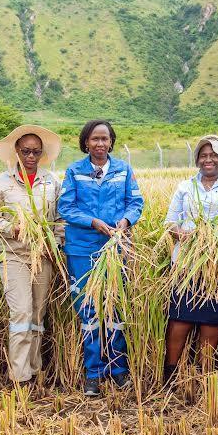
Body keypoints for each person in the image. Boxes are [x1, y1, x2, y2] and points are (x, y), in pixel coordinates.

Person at [57, 120, 145, 396]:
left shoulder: (123, 169)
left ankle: (118, 369)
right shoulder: (75, 171)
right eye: (94, 139)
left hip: (115, 249)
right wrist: (93, 221)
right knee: (88, 310)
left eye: (104, 139)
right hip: (82, 249)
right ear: (86, 143)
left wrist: (125, 221)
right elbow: (66, 207)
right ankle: (92, 373)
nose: (99, 144)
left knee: (114, 307)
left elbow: (136, 202)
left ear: (111, 142)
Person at [162, 135, 218, 383]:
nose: (208, 159)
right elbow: (170, 222)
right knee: (180, 317)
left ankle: (206, 375)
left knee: (211, 320)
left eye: (213, 156)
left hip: (217, 265)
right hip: (185, 262)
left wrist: (211, 237)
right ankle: (171, 373)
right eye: (203, 155)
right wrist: (182, 233)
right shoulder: (185, 187)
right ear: (197, 160)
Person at [0, 125, 64, 385]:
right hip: (14, 255)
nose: (30, 156)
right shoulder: (2, 181)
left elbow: (60, 219)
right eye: (25, 151)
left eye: (35, 152)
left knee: (37, 314)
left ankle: (35, 369)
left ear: (41, 154)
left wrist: (55, 243)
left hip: (42, 256)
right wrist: (13, 228)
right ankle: (20, 377)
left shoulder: (52, 182)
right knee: (20, 312)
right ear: (16, 152)